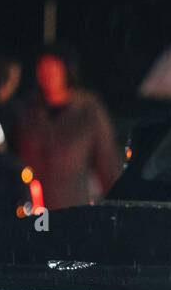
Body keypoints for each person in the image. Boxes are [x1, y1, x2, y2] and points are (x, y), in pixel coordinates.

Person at [13, 46, 123, 209]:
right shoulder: (30, 111)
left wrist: (116, 204)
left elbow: (107, 161)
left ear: (66, 70)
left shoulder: (87, 109)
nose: (47, 75)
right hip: (36, 210)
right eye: (43, 69)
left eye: (53, 69)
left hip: (73, 206)